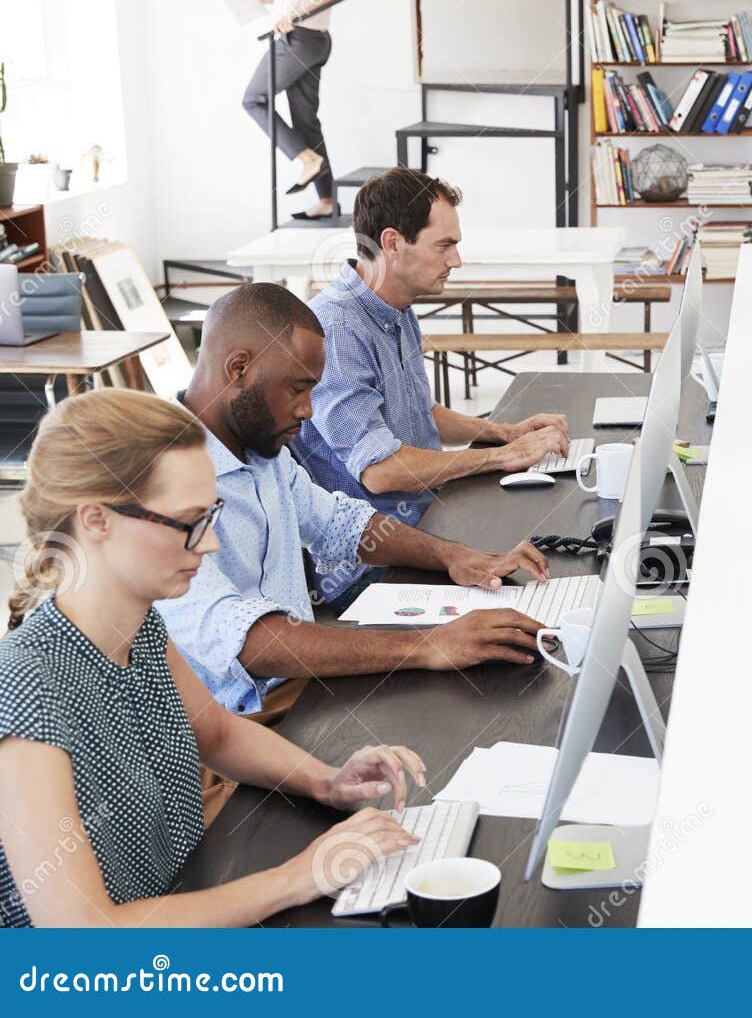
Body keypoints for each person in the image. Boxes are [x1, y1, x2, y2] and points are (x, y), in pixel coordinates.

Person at [0, 390, 423, 927]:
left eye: (211, 518)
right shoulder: (24, 686)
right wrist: (299, 876)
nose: (211, 545)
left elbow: (217, 734)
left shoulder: (140, 625)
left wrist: (326, 781)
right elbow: (85, 933)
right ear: (95, 520)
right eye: (188, 522)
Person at [155, 283, 552, 742]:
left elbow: (342, 524)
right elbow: (251, 642)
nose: (307, 410)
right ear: (239, 368)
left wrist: (453, 555)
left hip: (298, 692)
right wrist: (429, 645)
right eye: (297, 389)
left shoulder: (260, 449)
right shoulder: (159, 478)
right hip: (234, 730)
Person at [293, 167, 570, 521]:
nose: (456, 260)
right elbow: (380, 470)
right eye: (445, 246)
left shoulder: (397, 306)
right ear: (392, 243)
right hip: (383, 553)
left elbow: (421, 413)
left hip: (427, 510)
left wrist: (506, 433)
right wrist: (503, 455)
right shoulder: (337, 329)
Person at [242, 0, 342, 220]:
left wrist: (294, 15)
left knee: (253, 99)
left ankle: (304, 158)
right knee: (306, 121)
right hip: (305, 39)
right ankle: (327, 200)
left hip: (301, 40)